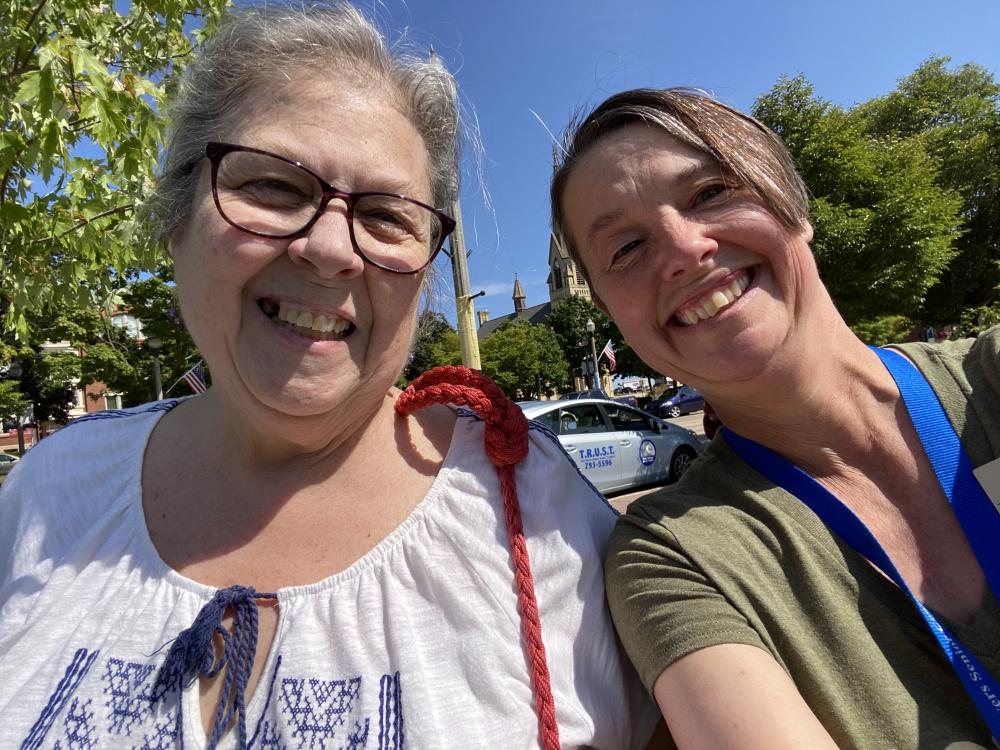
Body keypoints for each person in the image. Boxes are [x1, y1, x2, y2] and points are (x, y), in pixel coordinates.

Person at [0, 7, 661, 748]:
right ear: (177, 215)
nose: (328, 248)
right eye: (275, 188)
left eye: (386, 215)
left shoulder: (542, 513)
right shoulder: (48, 491)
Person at [550, 87, 1000, 749]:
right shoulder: (675, 559)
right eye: (625, 248)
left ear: (793, 202)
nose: (682, 248)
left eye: (710, 192)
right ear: (607, 307)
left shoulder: (989, 374)